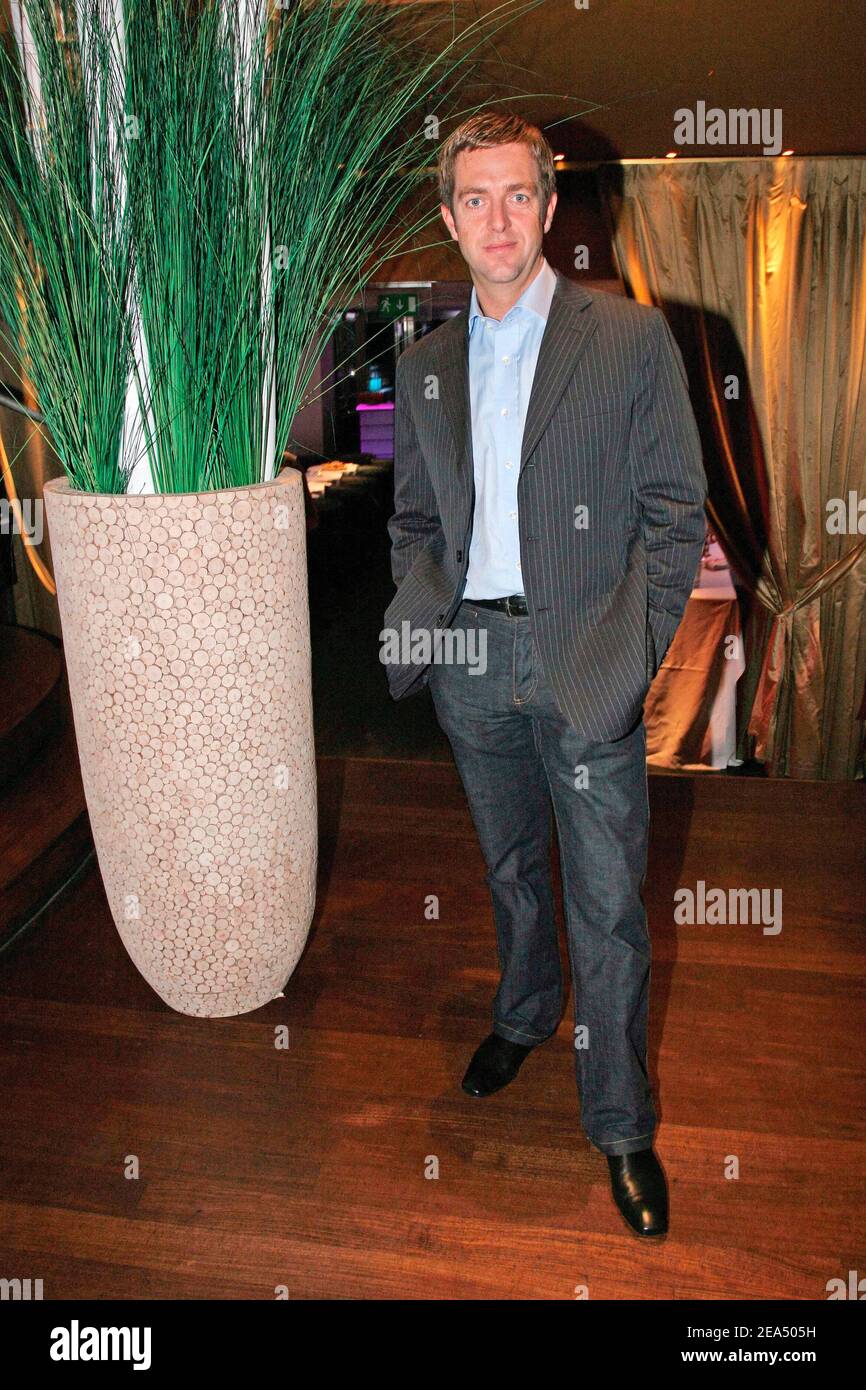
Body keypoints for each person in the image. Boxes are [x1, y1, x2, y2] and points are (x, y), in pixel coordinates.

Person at [382, 110, 708, 1237]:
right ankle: (522, 1013)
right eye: (473, 198)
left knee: (608, 905)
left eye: (517, 194)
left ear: (549, 207)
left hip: (583, 662)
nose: (496, 218)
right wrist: (424, 629)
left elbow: (674, 515)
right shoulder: (421, 363)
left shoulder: (625, 341)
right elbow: (415, 518)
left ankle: (620, 1124)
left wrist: (625, 661)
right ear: (446, 219)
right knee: (511, 867)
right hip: (471, 656)